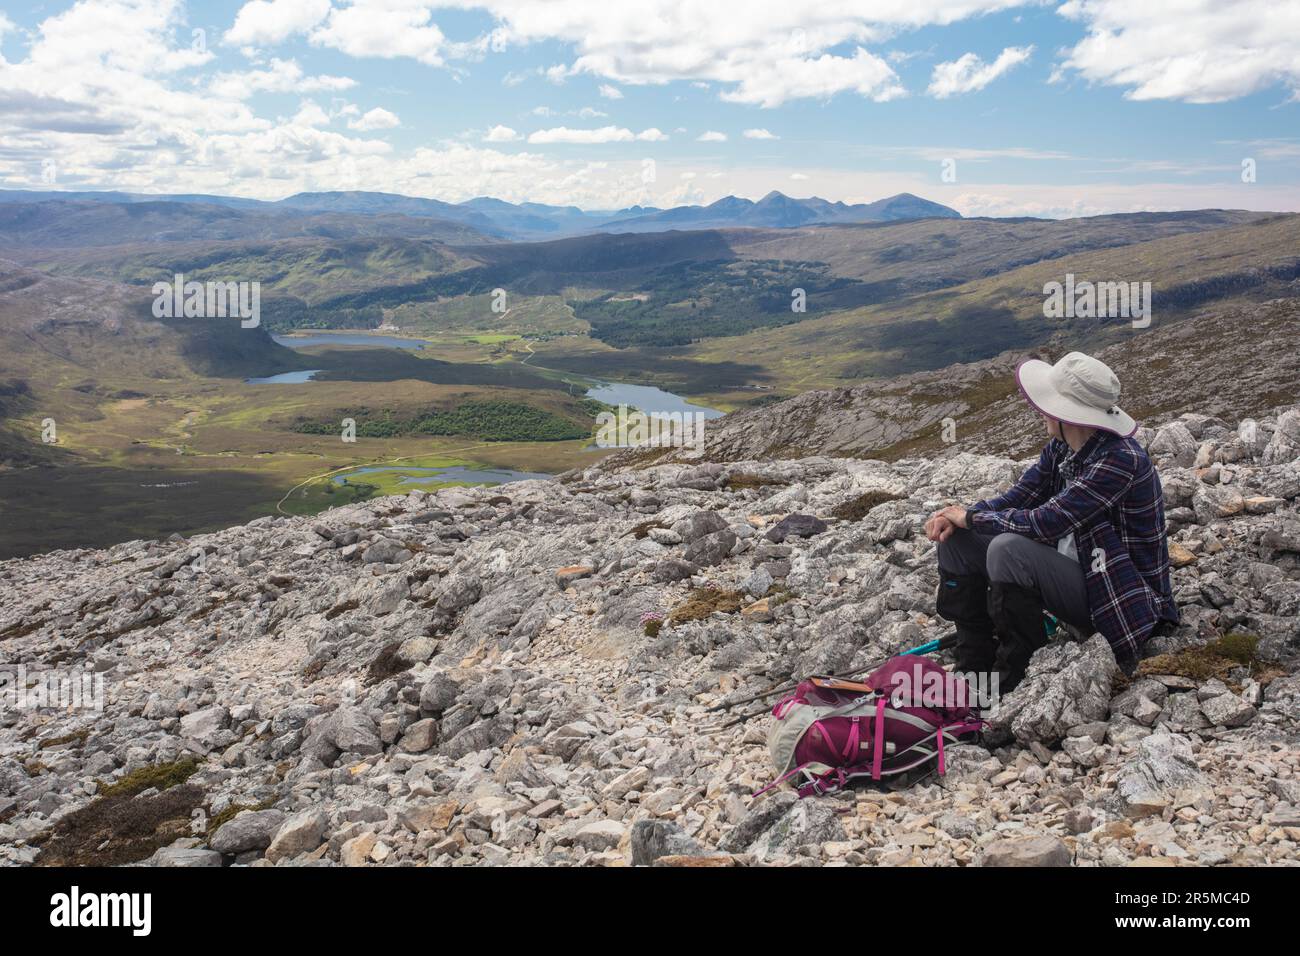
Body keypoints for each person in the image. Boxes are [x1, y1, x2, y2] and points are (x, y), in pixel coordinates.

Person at [924, 351, 1178, 692]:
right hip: (1080, 569)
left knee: (1007, 550)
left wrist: (972, 517)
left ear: (1067, 415)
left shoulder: (1120, 461)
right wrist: (958, 518)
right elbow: (1019, 496)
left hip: (1119, 595)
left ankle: (1012, 677)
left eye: (1047, 405)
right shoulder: (1063, 447)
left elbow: (1047, 522)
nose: (1039, 411)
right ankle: (975, 663)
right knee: (956, 542)